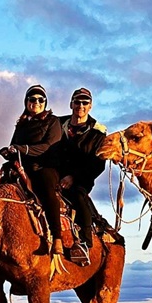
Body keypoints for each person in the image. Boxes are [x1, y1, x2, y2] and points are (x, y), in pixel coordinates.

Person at [0, 84, 66, 256]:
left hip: (45, 166)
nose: (36, 102)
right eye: (32, 99)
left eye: (40, 99)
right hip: (22, 168)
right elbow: (15, 146)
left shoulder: (53, 122)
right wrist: (8, 152)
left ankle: (57, 237)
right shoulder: (21, 125)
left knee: (47, 190)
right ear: (26, 102)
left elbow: (48, 146)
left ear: (45, 102)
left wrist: (23, 149)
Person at [56, 87, 107, 264]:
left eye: (85, 102)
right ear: (71, 104)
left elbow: (98, 163)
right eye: (77, 102)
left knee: (78, 195)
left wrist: (73, 177)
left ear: (90, 106)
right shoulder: (57, 124)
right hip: (54, 174)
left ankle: (85, 242)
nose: (81, 106)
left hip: (81, 178)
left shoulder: (98, 134)